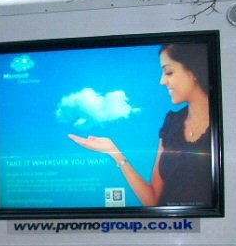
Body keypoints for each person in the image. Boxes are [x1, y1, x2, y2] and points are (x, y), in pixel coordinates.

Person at [68, 43, 212, 206]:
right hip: (166, 228)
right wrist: (114, 152)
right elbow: (153, 200)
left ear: (193, 71)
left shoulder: (223, 125)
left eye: (168, 72)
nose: (162, 81)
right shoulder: (172, 123)